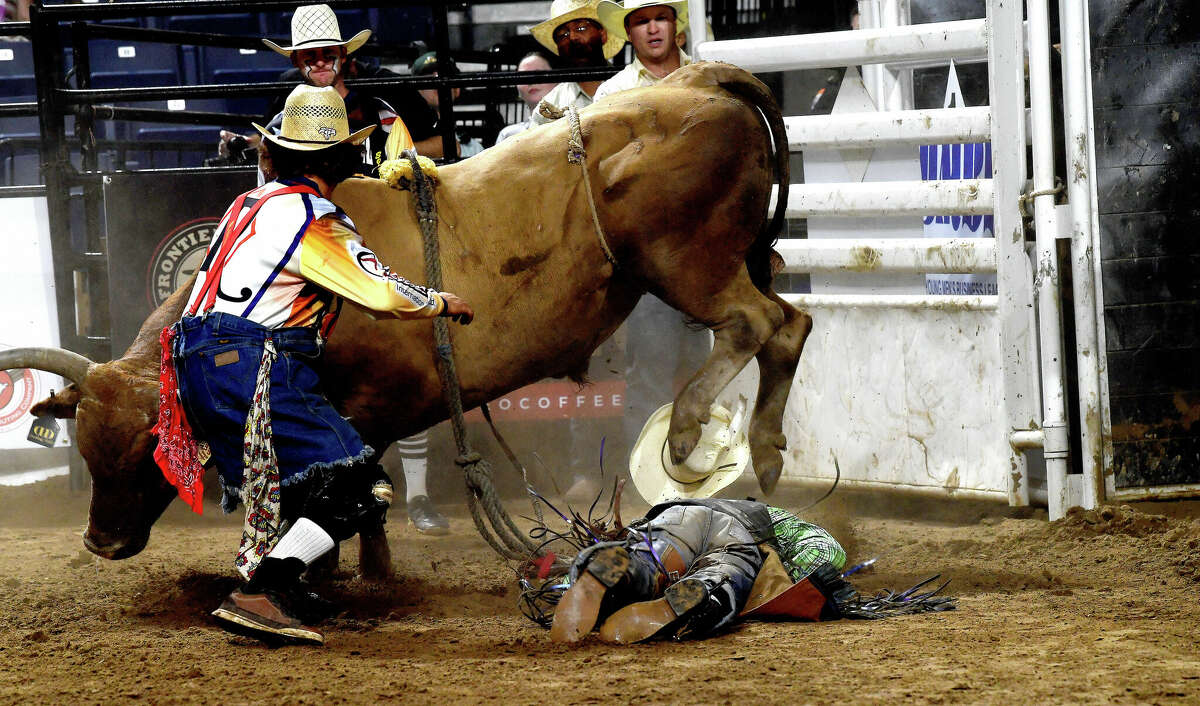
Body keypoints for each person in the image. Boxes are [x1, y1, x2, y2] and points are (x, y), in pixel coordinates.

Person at [159, 84, 474, 646]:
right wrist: (439, 301)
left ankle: (283, 585)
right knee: (362, 486)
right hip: (256, 358)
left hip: (198, 361)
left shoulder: (248, 203)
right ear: (335, 159)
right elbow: (377, 294)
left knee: (302, 483)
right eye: (352, 149)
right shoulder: (315, 214)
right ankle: (264, 589)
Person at [540, 402, 953, 643]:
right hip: (740, 537)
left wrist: (560, 567)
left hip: (677, 525)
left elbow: (634, 531)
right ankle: (699, 593)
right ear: (729, 473)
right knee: (727, 574)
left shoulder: (672, 508)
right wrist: (795, 574)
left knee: (650, 557)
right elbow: (826, 550)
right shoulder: (773, 517)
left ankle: (613, 571)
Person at [217, 4, 413, 172]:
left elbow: (406, 181)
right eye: (310, 55)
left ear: (343, 55)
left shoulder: (384, 118)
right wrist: (248, 143)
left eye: (328, 53)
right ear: (296, 60)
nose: (320, 62)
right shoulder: (278, 126)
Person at [527, 0, 624, 127]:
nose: (572, 37)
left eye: (581, 28)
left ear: (603, 35)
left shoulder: (630, 85)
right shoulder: (549, 108)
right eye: (563, 34)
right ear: (558, 48)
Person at [385, 51, 480, 160]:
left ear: (457, 89)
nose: (438, 81)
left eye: (444, 75)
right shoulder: (401, 133)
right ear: (415, 90)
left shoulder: (474, 148)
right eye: (430, 76)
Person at [593, 0, 691, 100]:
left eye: (661, 18)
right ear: (628, 32)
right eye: (642, 21)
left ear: (675, 24)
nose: (653, 30)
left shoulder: (705, 73)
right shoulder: (612, 92)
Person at [493, 51, 558, 145]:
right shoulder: (508, 136)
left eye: (538, 74)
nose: (531, 81)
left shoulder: (575, 127)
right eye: (524, 76)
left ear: (557, 80)